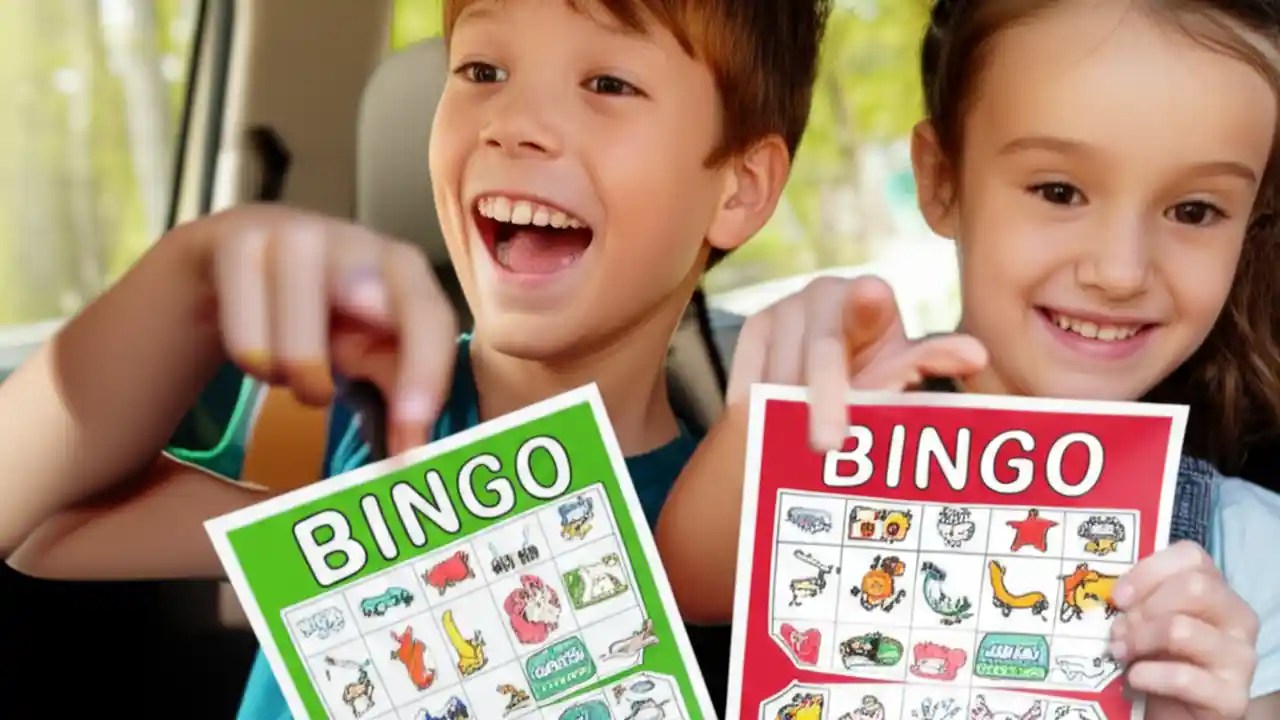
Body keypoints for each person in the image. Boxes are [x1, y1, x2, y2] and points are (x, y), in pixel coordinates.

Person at [0, 0, 833, 716]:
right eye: (480, 70)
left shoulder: (725, 538)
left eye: (608, 84)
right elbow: (35, 521)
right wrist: (191, 275)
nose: (512, 124)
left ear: (740, 189)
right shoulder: (347, 412)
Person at [657, 1, 1280, 717]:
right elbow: (688, 582)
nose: (1121, 270)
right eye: (1059, 191)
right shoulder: (852, 424)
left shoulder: (1251, 561)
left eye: (1195, 211)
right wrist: (785, 410)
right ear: (941, 181)